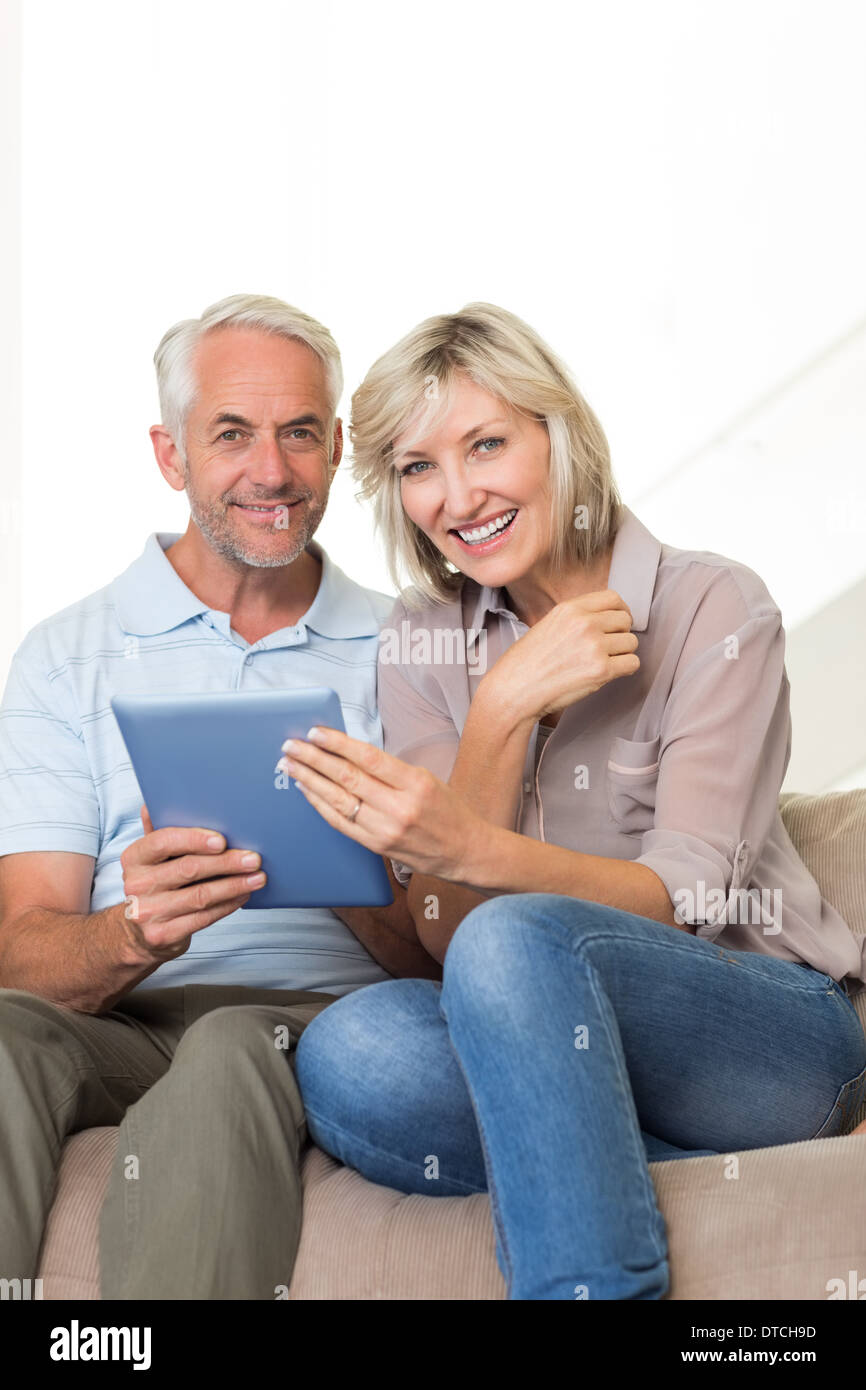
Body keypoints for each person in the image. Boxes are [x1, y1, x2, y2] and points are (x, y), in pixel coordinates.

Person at [287, 301, 866, 1300]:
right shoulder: (425, 641)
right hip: (544, 1038)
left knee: (513, 938)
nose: (456, 494)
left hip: (759, 1031)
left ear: (558, 435)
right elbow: (442, 934)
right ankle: (635, 1179)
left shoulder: (712, 607)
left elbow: (688, 896)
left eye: (485, 444)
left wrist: (466, 841)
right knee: (354, 1046)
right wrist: (500, 713)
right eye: (416, 466)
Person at [0, 294, 438, 1300]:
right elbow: (22, 954)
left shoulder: (413, 645)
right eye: (231, 434)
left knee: (232, 1047)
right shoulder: (68, 656)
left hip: (321, 1016)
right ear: (171, 454)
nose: (270, 473)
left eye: (297, 434)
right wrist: (133, 933)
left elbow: (452, 945)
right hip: (129, 1014)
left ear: (332, 447)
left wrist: (343, 859)